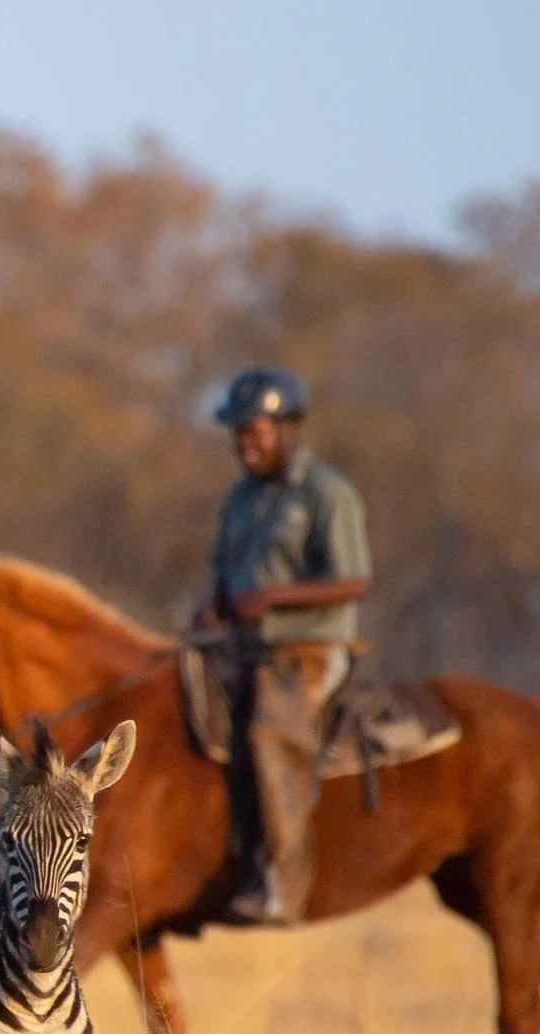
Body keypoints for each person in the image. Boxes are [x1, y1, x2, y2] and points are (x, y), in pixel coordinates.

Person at [207, 366, 372, 925]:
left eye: (254, 431)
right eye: (238, 432)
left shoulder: (327, 493)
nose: (243, 443)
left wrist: (273, 599)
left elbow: (353, 580)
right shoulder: (240, 499)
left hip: (307, 651)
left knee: (270, 734)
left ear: (288, 428)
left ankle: (283, 885)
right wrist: (216, 606)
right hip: (240, 648)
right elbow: (224, 578)